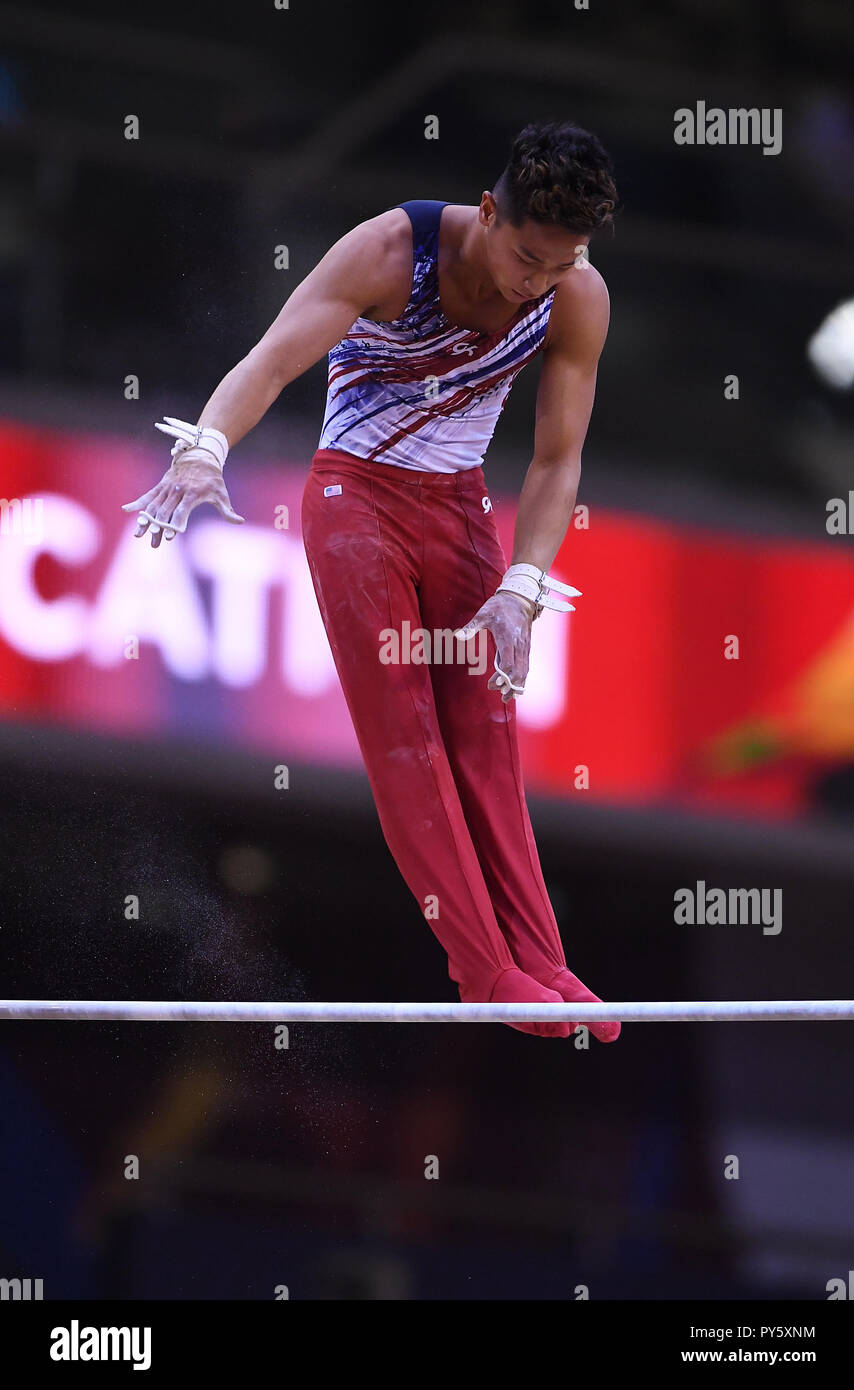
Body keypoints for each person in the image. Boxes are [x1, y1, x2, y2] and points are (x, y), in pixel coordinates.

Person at [122, 120, 622, 1042]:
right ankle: (485, 972)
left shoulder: (575, 295)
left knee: (487, 738)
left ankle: (543, 960)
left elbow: (558, 462)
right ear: (486, 212)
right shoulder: (392, 252)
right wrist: (207, 446)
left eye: (559, 266)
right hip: (357, 500)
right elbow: (273, 358)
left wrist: (522, 584)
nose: (534, 284)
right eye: (525, 258)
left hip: (460, 510)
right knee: (407, 742)